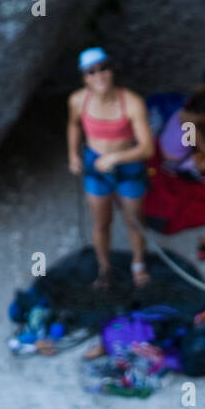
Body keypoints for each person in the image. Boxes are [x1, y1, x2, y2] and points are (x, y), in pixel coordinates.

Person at [67, 47, 155, 301]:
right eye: (91, 71)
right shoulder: (78, 100)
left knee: (134, 220)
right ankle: (104, 268)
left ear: (111, 70)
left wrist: (116, 157)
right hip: (96, 164)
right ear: (85, 77)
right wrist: (73, 154)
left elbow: (147, 147)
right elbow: (73, 125)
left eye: (103, 68)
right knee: (101, 221)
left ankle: (138, 264)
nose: (99, 75)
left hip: (127, 165)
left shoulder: (132, 102)